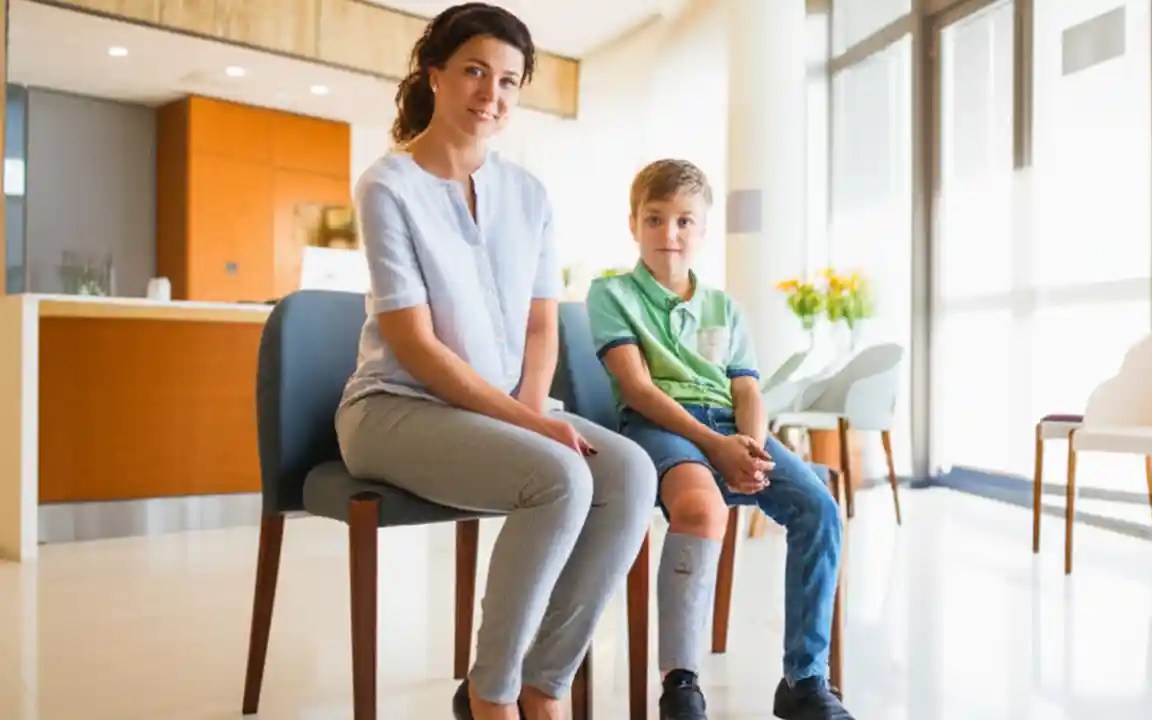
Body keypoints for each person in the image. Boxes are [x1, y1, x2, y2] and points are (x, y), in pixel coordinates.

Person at [334, 5, 657, 720]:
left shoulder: (529, 194)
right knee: (559, 475)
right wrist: (529, 426)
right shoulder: (389, 186)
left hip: (504, 407)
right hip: (396, 409)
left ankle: (544, 686)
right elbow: (415, 345)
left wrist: (534, 410)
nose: (492, 94)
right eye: (475, 72)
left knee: (631, 472)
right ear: (435, 76)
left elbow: (543, 325)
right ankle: (492, 696)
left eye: (510, 80)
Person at [586, 159, 853, 720]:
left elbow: (748, 391)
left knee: (821, 510)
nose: (669, 234)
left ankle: (804, 680)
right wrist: (714, 447)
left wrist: (751, 450)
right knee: (701, 508)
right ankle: (680, 683)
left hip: (734, 429)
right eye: (654, 219)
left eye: (684, 221)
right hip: (662, 426)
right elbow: (635, 387)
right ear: (633, 223)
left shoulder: (724, 308)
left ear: (703, 230)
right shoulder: (611, 294)